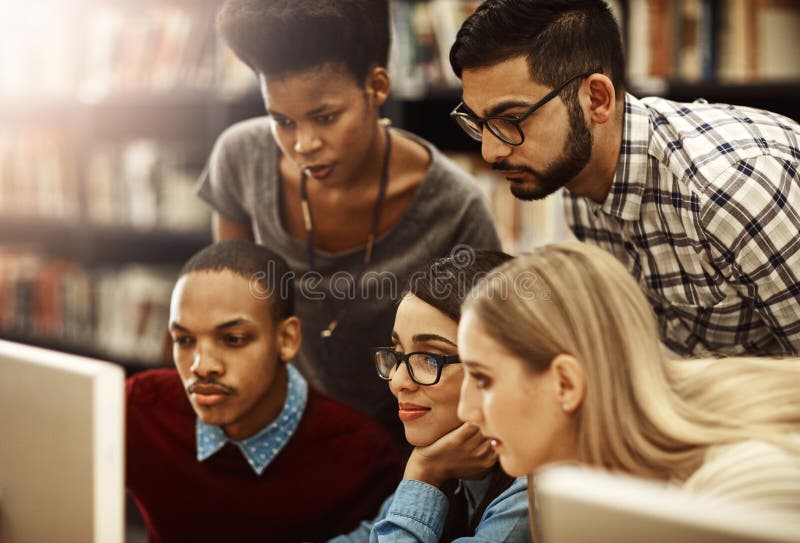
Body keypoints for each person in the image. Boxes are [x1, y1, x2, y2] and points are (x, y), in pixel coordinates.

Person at [197, 0, 501, 443]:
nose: (303, 145)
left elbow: (477, 369)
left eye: (325, 117)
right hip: (275, 430)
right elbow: (230, 316)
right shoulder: (240, 158)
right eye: (282, 121)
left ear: (376, 87)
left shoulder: (456, 208)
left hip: (402, 444)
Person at [448, 0, 800, 357]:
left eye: (511, 119)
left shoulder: (731, 191)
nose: (489, 152)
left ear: (597, 99)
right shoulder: (576, 183)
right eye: (478, 122)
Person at [456, 241, 800, 534]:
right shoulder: (588, 489)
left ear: (565, 384)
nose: (466, 411)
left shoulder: (743, 488)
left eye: (483, 379)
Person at [126, 240, 402, 543]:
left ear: (286, 339)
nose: (201, 366)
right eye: (184, 340)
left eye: (232, 339)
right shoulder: (141, 408)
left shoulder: (362, 459)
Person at [329, 250, 530, 542]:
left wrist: (424, 473)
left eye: (430, 358)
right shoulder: (449, 454)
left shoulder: (528, 497)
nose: (398, 381)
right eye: (397, 354)